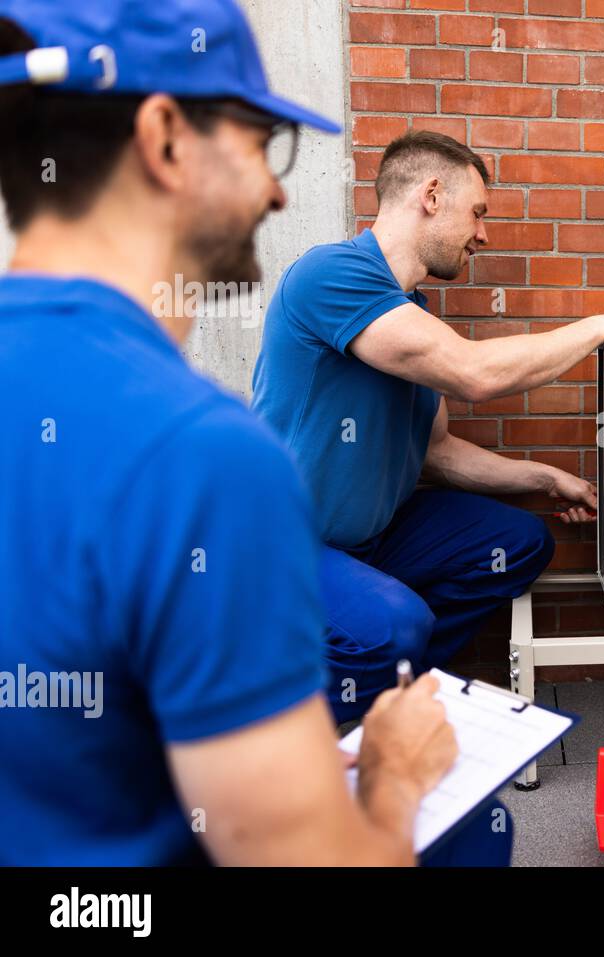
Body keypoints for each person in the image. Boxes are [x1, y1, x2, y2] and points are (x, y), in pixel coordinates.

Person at [0, 0, 506, 866]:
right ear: (165, 138)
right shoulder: (204, 457)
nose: (277, 188)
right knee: (474, 831)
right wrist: (392, 773)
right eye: (261, 143)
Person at [252, 130, 604, 723]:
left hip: (375, 539)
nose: (482, 234)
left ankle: (397, 692)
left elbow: (437, 453)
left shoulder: (413, 313)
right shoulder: (332, 276)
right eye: (477, 213)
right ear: (431, 195)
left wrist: (543, 476)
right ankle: (281, 730)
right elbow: (474, 373)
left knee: (518, 543)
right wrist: (601, 327)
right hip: (284, 540)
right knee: (394, 624)